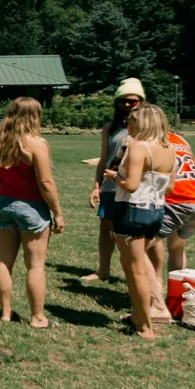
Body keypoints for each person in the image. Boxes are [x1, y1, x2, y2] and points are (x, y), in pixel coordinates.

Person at [0, 96, 63, 328]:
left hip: (4, 205)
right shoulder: (37, 144)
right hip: (32, 207)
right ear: (34, 116)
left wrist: (7, 177)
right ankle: (37, 317)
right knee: (35, 265)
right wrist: (57, 213)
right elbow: (45, 182)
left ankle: (5, 313)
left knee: (4, 262)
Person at [104, 103, 177, 340]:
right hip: (155, 211)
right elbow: (172, 186)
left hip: (131, 210)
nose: (127, 125)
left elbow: (131, 185)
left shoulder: (138, 148)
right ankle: (138, 316)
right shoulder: (169, 149)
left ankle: (145, 327)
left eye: (131, 121)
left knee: (136, 272)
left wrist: (115, 177)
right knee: (136, 269)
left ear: (142, 123)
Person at [146, 129, 195, 318]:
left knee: (137, 248)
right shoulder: (180, 139)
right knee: (177, 247)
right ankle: (177, 300)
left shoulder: (148, 141)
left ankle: (156, 303)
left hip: (177, 200)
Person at [82, 79, 145, 283]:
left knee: (134, 232)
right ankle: (103, 270)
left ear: (141, 103)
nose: (127, 105)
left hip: (137, 187)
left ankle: (137, 273)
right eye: (123, 101)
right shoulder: (110, 129)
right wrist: (96, 186)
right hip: (110, 185)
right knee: (106, 228)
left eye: (133, 102)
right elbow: (104, 159)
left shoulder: (147, 129)